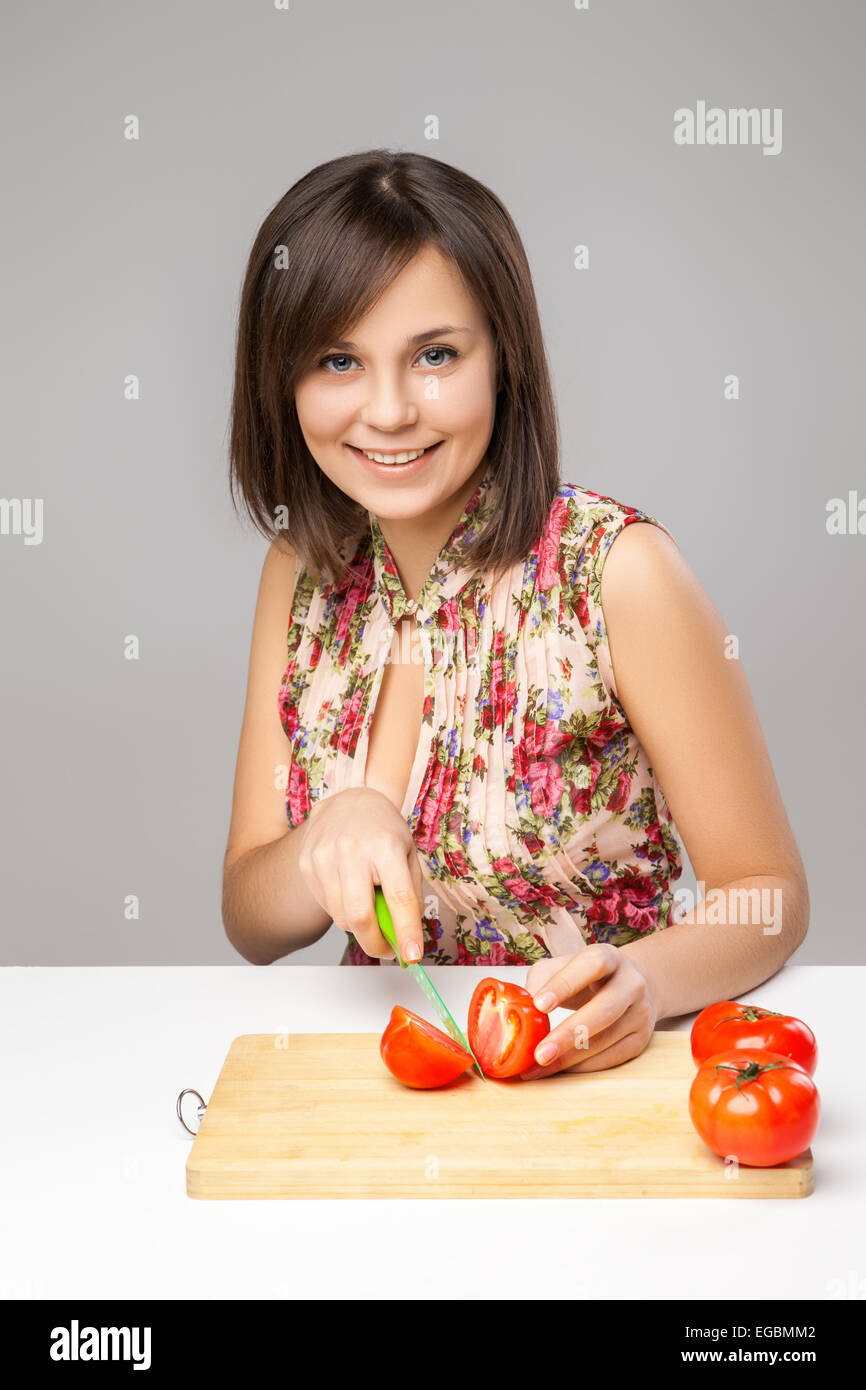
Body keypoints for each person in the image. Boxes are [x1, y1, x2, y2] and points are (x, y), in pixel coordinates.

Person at [221, 149, 809, 1079]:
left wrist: (646, 982)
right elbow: (249, 919)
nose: (387, 410)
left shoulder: (618, 572)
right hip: (396, 1085)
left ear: (506, 359)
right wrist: (315, 848)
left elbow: (769, 897)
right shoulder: (299, 572)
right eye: (339, 360)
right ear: (280, 380)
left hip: (596, 1079)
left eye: (436, 356)